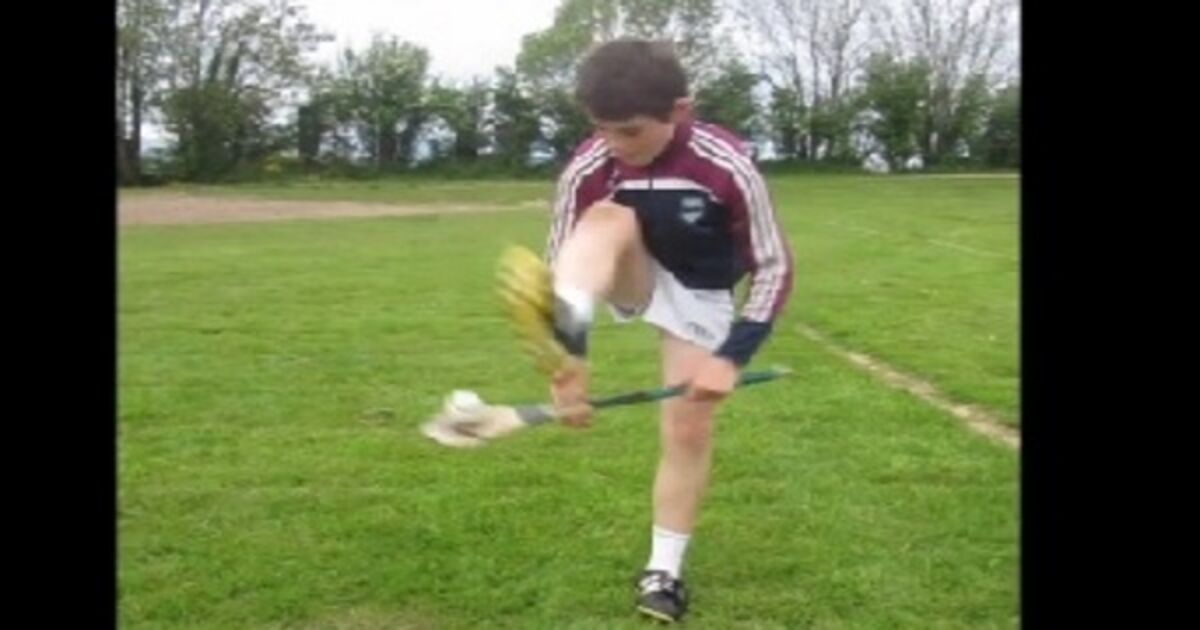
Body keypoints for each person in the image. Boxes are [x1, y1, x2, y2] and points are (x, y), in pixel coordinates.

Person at [499, 37, 793, 623]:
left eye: (629, 131)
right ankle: (572, 359)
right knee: (605, 216)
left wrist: (730, 359)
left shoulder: (726, 162)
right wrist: (567, 360)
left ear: (679, 111)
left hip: (700, 293)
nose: (613, 145)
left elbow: (774, 267)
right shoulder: (592, 163)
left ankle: (664, 570)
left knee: (688, 427)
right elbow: (563, 256)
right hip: (627, 266)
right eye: (601, 130)